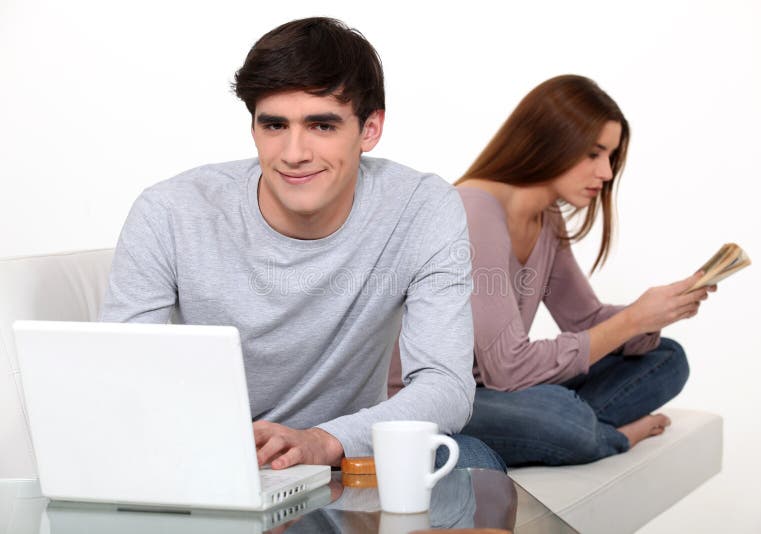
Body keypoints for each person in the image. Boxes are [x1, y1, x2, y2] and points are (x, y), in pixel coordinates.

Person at [101, 17, 503, 471]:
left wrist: (324, 441)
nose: (294, 154)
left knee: (474, 463)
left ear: (370, 129)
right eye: (274, 125)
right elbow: (120, 377)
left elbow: (445, 385)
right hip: (216, 459)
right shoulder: (169, 212)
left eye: (321, 126)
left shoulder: (421, 206)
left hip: (346, 454)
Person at [390, 74, 714, 466]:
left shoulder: (547, 217)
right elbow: (507, 368)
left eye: (610, 157)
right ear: (550, 141)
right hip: (432, 400)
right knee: (558, 414)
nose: (606, 172)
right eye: (593, 154)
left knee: (665, 357)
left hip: (497, 392)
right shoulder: (474, 210)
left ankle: (573, 426)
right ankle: (605, 435)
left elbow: (585, 319)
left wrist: (655, 314)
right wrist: (631, 320)